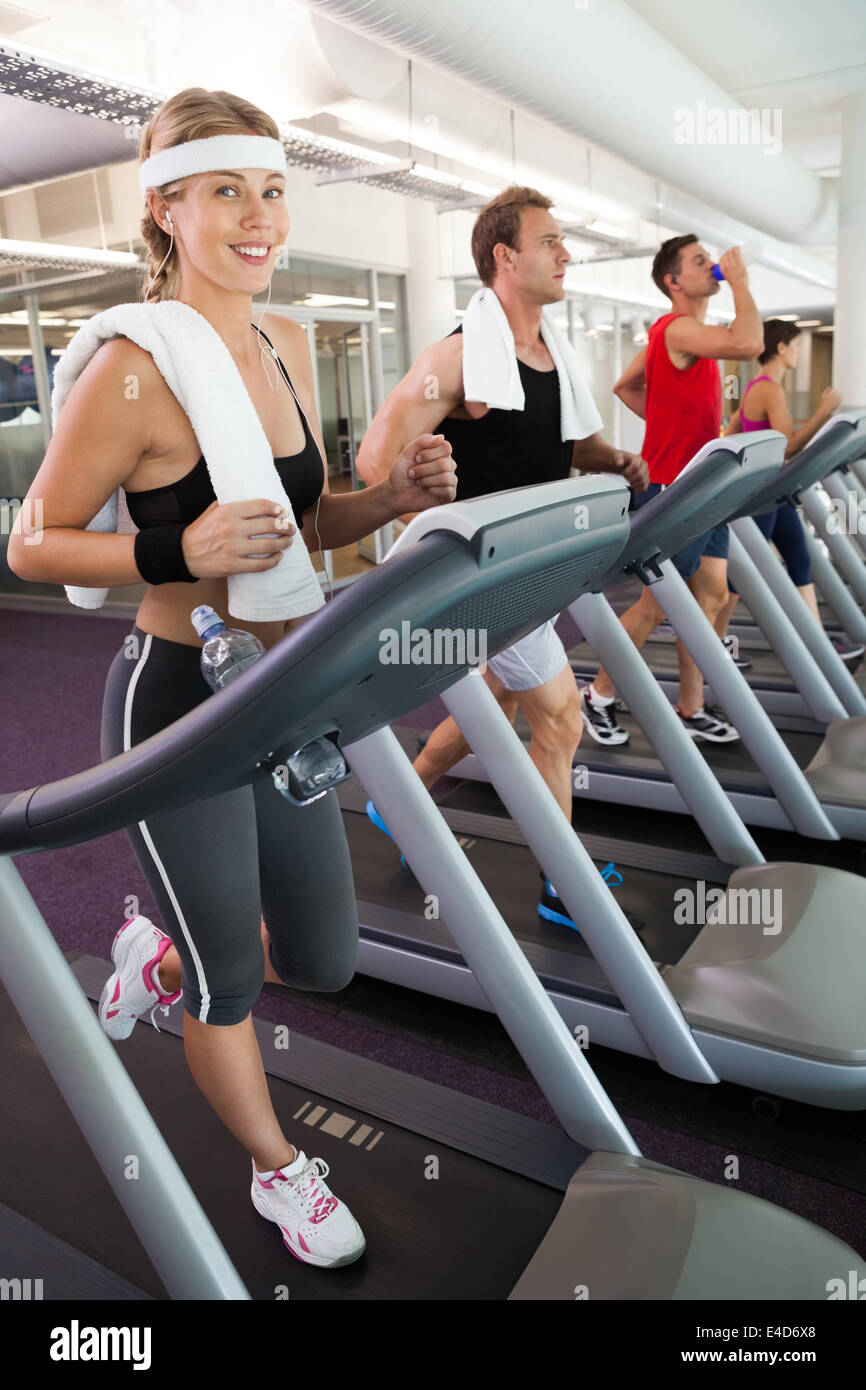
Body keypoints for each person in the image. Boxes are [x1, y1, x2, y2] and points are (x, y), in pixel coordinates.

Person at [7, 87, 456, 1271]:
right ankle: (277, 1174)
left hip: (288, 688)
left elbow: (307, 523)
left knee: (322, 958)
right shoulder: (130, 365)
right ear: (164, 208)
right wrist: (177, 548)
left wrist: (391, 502)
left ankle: (145, 950)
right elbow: (33, 541)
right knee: (233, 978)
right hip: (178, 698)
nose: (258, 218)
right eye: (225, 191)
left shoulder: (287, 340)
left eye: (269, 189)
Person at [356, 186, 648, 932]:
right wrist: (444, 517)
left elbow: (562, 438)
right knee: (560, 716)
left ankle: (401, 801)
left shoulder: (549, 354)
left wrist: (612, 458)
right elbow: (375, 460)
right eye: (549, 241)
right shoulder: (456, 358)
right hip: (486, 578)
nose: (566, 254)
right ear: (504, 256)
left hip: (534, 564)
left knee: (503, 700)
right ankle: (562, 883)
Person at [580, 236, 764, 747]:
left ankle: (691, 703)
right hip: (674, 487)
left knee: (709, 597)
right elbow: (749, 343)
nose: (712, 267)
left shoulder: (680, 334)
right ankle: (597, 695)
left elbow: (626, 385)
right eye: (699, 262)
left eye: (712, 260)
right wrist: (742, 281)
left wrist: (667, 420)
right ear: (673, 282)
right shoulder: (680, 328)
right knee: (657, 605)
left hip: (706, 484)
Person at [719, 319, 862, 663]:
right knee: (743, 574)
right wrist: (823, 413)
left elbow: (732, 432)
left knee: (799, 559)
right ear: (780, 348)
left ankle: (817, 646)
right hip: (764, 494)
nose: (798, 352)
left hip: (773, 491)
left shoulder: (755, 387)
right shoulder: (769, 388)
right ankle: (716, 641)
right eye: (795, 345)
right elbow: (787, 446)